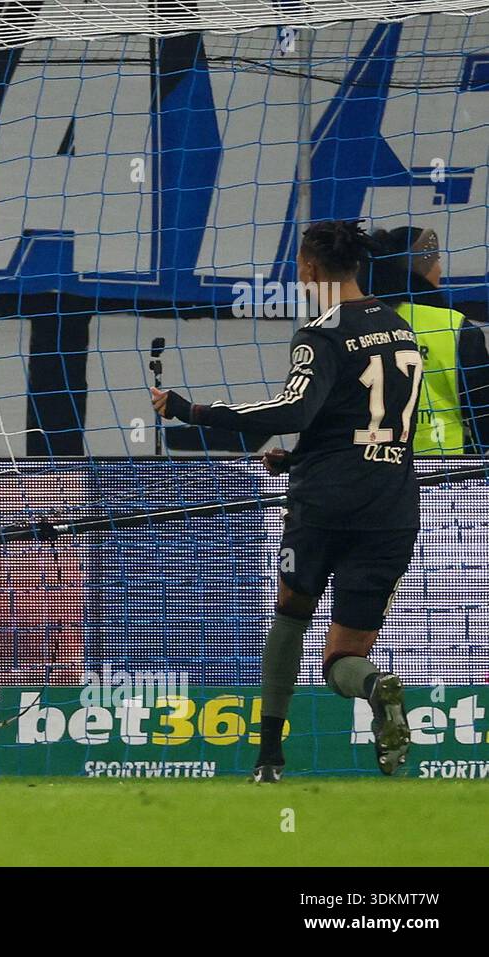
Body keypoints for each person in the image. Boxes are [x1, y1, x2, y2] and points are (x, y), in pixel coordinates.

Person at [151, 220, 419, 781]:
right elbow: (367, 424)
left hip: (325, 504)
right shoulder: (399, 328)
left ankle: (269, 758)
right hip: (392, 505)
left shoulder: (321, 333)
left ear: (310, 268)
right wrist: (298, 458)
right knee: (342, 657)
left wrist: (191, 410)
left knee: (291, 619)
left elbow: (292, 412)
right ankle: (375, 686)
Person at [367, 225, 489, 454]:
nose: (440, 269)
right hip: (446, 470)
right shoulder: (454, 327)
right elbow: (483, 415)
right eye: (437, 260)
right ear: (422, 267)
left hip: (373, 466)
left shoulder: (359, 321)